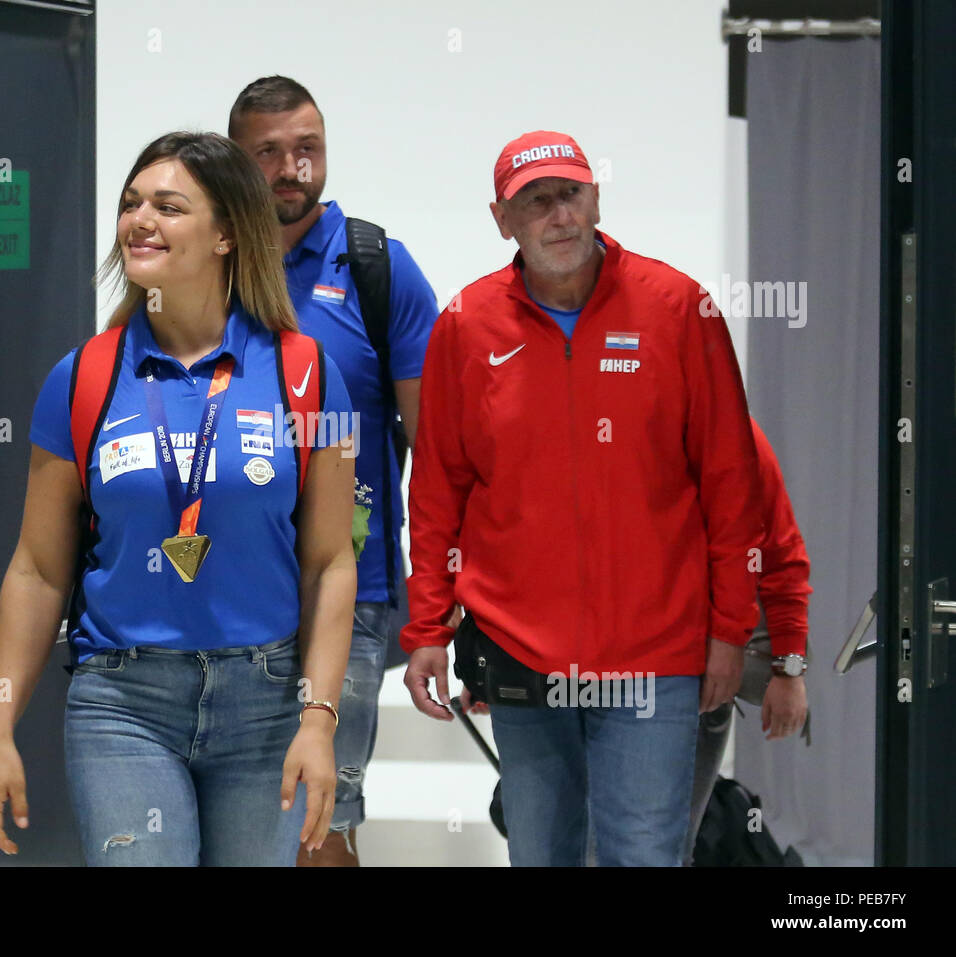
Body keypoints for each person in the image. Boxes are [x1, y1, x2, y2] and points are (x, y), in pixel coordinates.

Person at [0, 131, 357, 866]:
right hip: (123, 704)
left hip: (267, 701)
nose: (140, 219)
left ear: (225, 235)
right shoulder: (82, 377)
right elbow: (37, 570)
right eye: (131, 203)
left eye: (169, 206)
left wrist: (318, 718)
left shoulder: (307, 374)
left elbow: (331, 562)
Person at [401, 130, 765, 866]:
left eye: (569, 193)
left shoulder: (678, 310)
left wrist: (731, 629)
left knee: (643, 855)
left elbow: (731, 485)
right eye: (534, 202)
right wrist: (428, 627)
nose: (558, 215)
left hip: (654, 656)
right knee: (542, 854)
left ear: (596, 196)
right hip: (519, 652)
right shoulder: (466, 326)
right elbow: (439, 491)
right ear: (503, 219)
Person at [228, 75, 441, 866]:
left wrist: (440, 597)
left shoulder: (377, 267)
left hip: (350, 593)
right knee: (243, 815)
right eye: (269, 154)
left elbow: (436, 448)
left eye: (307, 150)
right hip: (225, 591)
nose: (293, 169)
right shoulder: (205, 270)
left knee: (323, 819)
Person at [686, 415, 811, 863]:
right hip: (575, 675)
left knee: (657, 846)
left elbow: (781, 556)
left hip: (691, 681)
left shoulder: (735, 437)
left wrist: (789, 669)